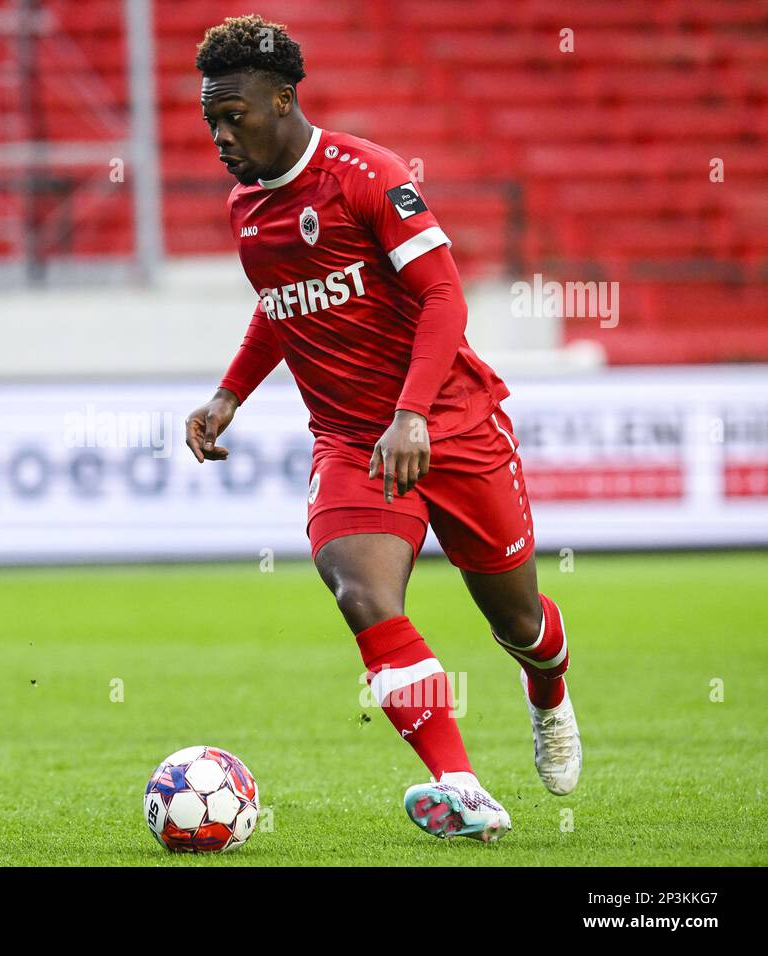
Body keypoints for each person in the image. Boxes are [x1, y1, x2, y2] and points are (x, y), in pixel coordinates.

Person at [184, 15, 581, 843]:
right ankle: (461, 785)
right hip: (351, 440)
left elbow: (444, 296)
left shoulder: (367, 175)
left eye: (236, 117)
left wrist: (413, 416)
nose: (221, 137)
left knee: (520, 626)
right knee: (360, 590)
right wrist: (229, 395)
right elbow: (281, 308)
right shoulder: (245, 208)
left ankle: (548, 694)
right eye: (211, 121)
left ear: (283, 100)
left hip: (452, 424)